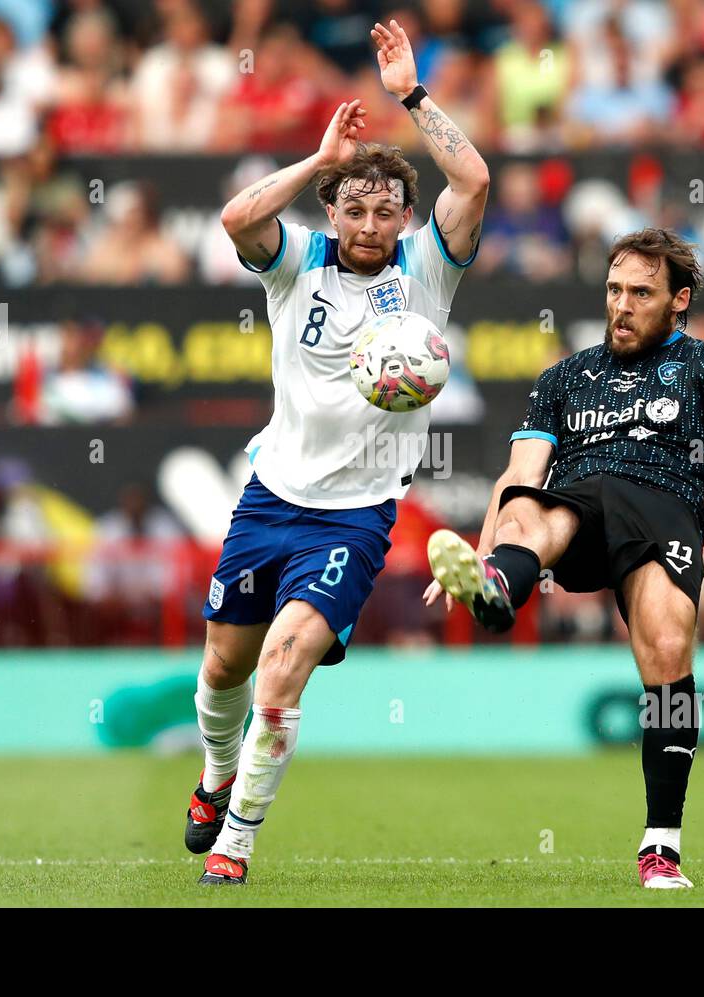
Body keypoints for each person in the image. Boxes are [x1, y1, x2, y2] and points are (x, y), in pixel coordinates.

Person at [423, 228, 704, 889]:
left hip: (663, 514)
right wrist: (484, 551)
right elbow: (518, 475)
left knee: (669, 650)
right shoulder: (564, 376)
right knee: (543, 506)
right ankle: (499, 587)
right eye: (615, 289)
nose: (622, 304)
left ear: (678, 300)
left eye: (641, 292)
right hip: (582, 508)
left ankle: (661, 845)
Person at [189, 19, 489, 886]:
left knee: (283, 670)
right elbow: (237, 216)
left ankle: (236, 842)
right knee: (224, 669)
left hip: (354, 518)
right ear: (333, 210)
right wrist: (322, 159)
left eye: (384, 209)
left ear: (404, 213)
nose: (368, 222)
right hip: (270, 497)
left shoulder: (429, 268)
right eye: (353, 208)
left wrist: (411, 95)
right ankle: (213, 777)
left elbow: (471, 177)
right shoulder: (297, 264)